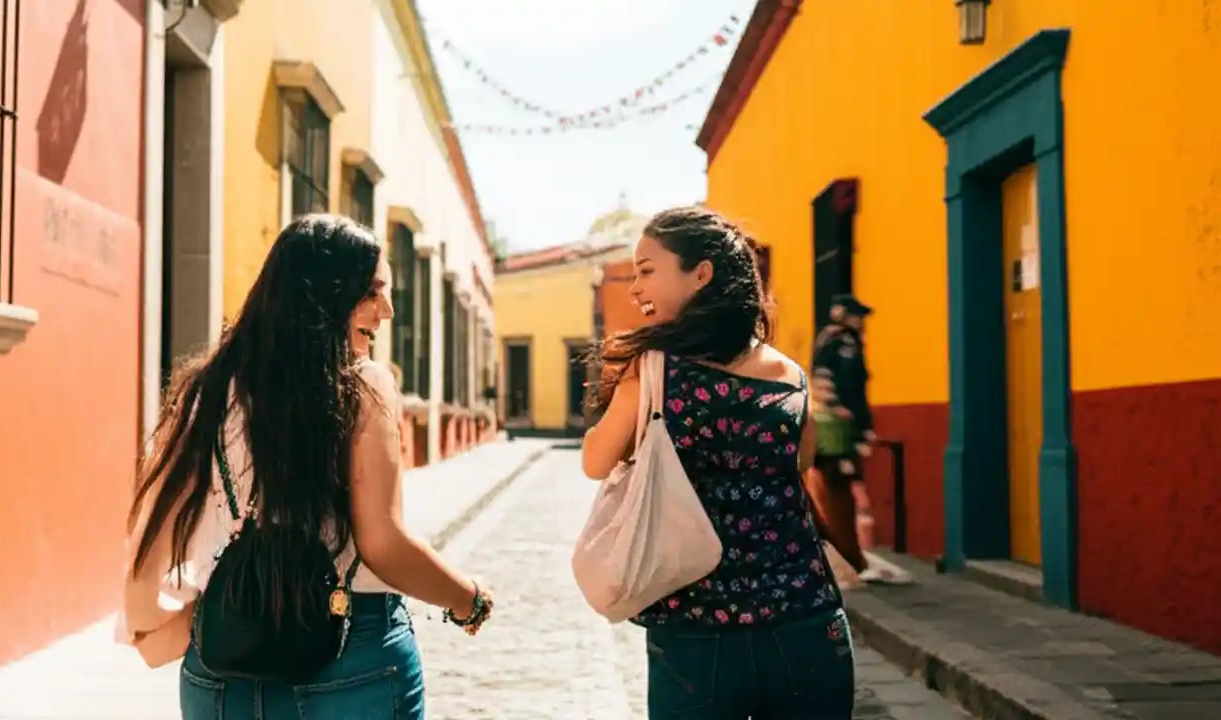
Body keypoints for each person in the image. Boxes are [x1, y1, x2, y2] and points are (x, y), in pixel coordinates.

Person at [118, 215, 493, 719]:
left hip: (223, 664)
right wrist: (468, 599)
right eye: (373, 292)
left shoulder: (205, 388)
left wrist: (157, 622)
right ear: (325, 293)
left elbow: (150, 537)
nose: (387, 310)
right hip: (347, 652)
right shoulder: (362, 386)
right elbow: (381, 543)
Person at [582, 207, 855, 718]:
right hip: (806, 622)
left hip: (698, 634)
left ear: (701, 274)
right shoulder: (790, 376)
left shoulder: (654, 370)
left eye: (647, 270)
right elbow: (803, 460)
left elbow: (595, 462)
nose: (634, 288)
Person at [810, 295, 905, 585]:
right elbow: (841, 387)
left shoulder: (828, 340)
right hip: (838, 432)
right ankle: (849, 562)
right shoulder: (844, 343)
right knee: (840, 497)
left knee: (839, 495)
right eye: (857, 316)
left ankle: (850, 560)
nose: (861, 322)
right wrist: (858, 425)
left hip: (831, 431)